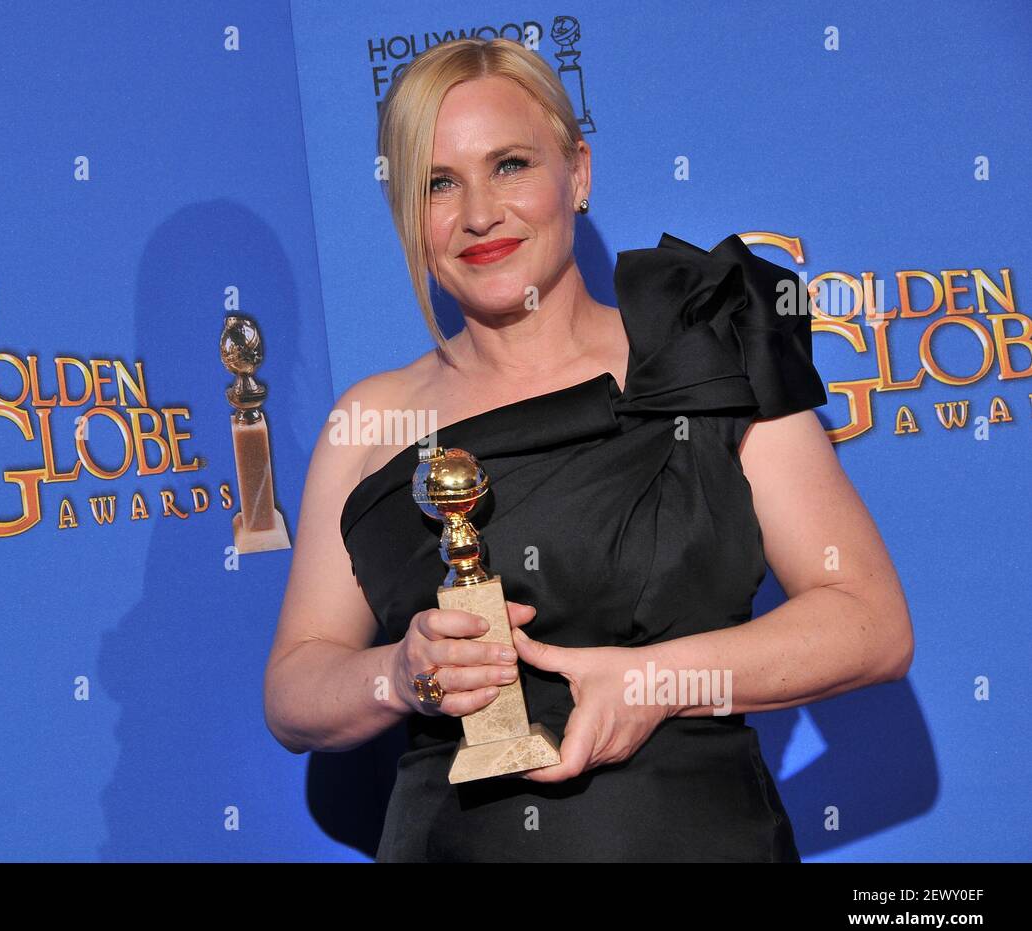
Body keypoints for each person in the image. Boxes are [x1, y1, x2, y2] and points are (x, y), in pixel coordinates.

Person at [263, 37, 913, 861]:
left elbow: (870, 621)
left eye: (510, 165)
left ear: (577, 173)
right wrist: (399, 672)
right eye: (439, 182)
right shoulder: (371, 419)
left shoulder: (705, 354)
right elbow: (294, 688)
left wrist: (653, 682)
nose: (478, 214)